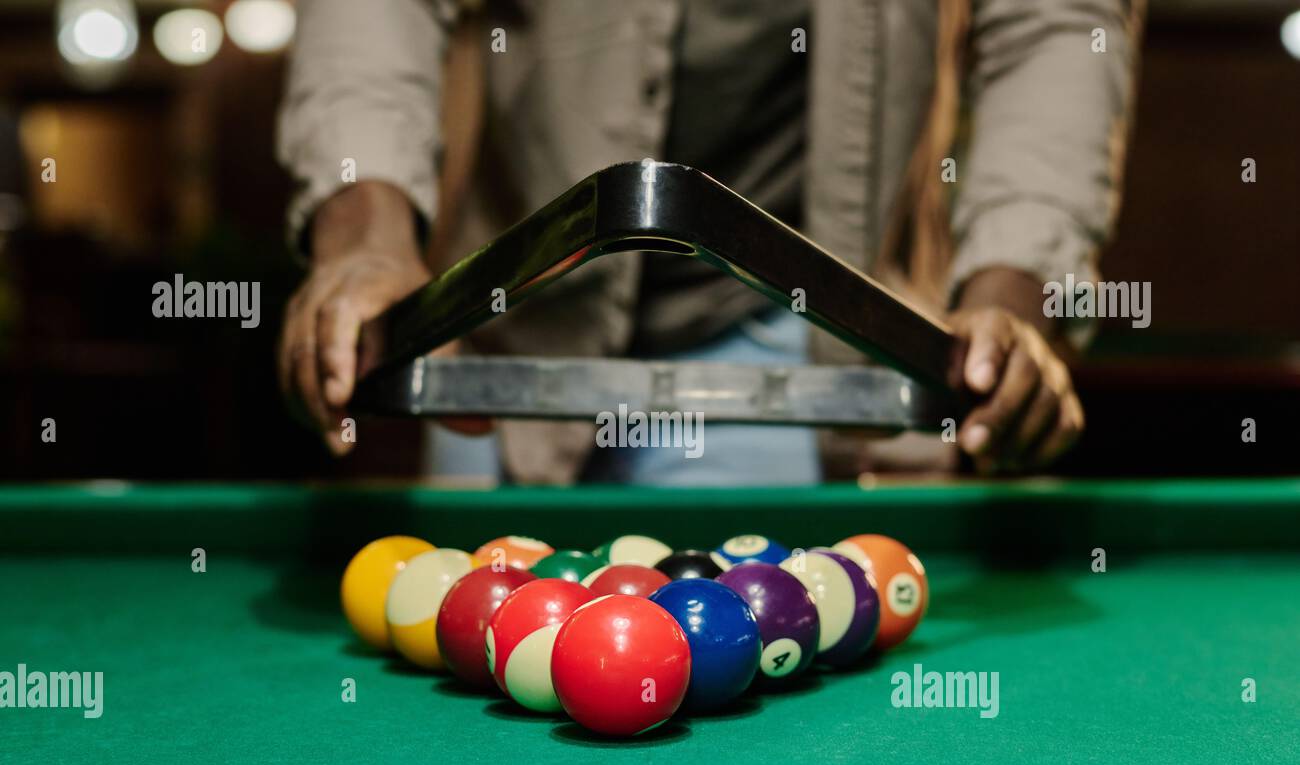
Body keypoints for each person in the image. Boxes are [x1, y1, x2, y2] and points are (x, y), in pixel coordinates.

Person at [276, 0, 1144, 485]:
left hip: (789, 336)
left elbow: (1055, 23)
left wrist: (1011, 297)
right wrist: (365, 235)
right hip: (509, 337)